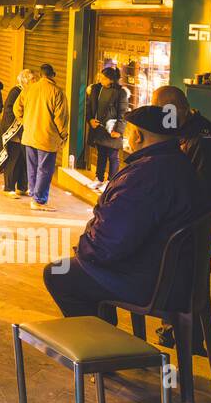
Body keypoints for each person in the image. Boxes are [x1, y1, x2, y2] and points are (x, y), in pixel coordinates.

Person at [43, 105, 202, 320]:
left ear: (137, 136)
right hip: (170, 275)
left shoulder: (146, 175)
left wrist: (83, 250)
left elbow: (109, 243)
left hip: (146, 281)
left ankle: (100, 338)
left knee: (57, 272)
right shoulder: (180, 163)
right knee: (83, 267)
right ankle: (103, 330)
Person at [151, 84, 211, 351]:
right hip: (204, 216)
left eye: (162, 112)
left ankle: (181, 331)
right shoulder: (193, 130)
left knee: (174, 263)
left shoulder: (198, 140)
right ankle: (182, 332)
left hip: (199, 219)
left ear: (175, 110)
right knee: (189, 269)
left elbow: (195, 190)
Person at [13, 62, 69, 210]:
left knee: (32, 167)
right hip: (46, 138)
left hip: (29, 136)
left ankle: (34, 194)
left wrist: (25, 122)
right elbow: (61, 118)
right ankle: (39, 200)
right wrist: (63, 135)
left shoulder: (29, 89)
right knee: (44, 169)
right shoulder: (57, 92)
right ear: (53, 75)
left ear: (39, 74)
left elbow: (16, 108)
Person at [87, 67, 129, 191]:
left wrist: (119, 130)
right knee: (101, 154)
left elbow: (123, 113)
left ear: (111, 80)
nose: (101, 80)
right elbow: (89, 107)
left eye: (104, 78)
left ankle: (111, 182)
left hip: (112, 130)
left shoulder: (120, 93)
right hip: (99, 128)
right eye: (100, 77)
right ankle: (99, 179)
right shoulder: (96, 89)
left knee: (113, 156)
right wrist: (90, 120)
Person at [0, 68, 36, 197]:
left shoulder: (31, 92)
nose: (34, 81)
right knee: (13, 159)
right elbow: (9, 111)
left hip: (26, 133)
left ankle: (23, 187)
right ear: (25, 80)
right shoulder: (16, 91)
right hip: (14, 134)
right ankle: (9, 187)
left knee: (24, 160)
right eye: (32, 79)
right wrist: (20, 122)